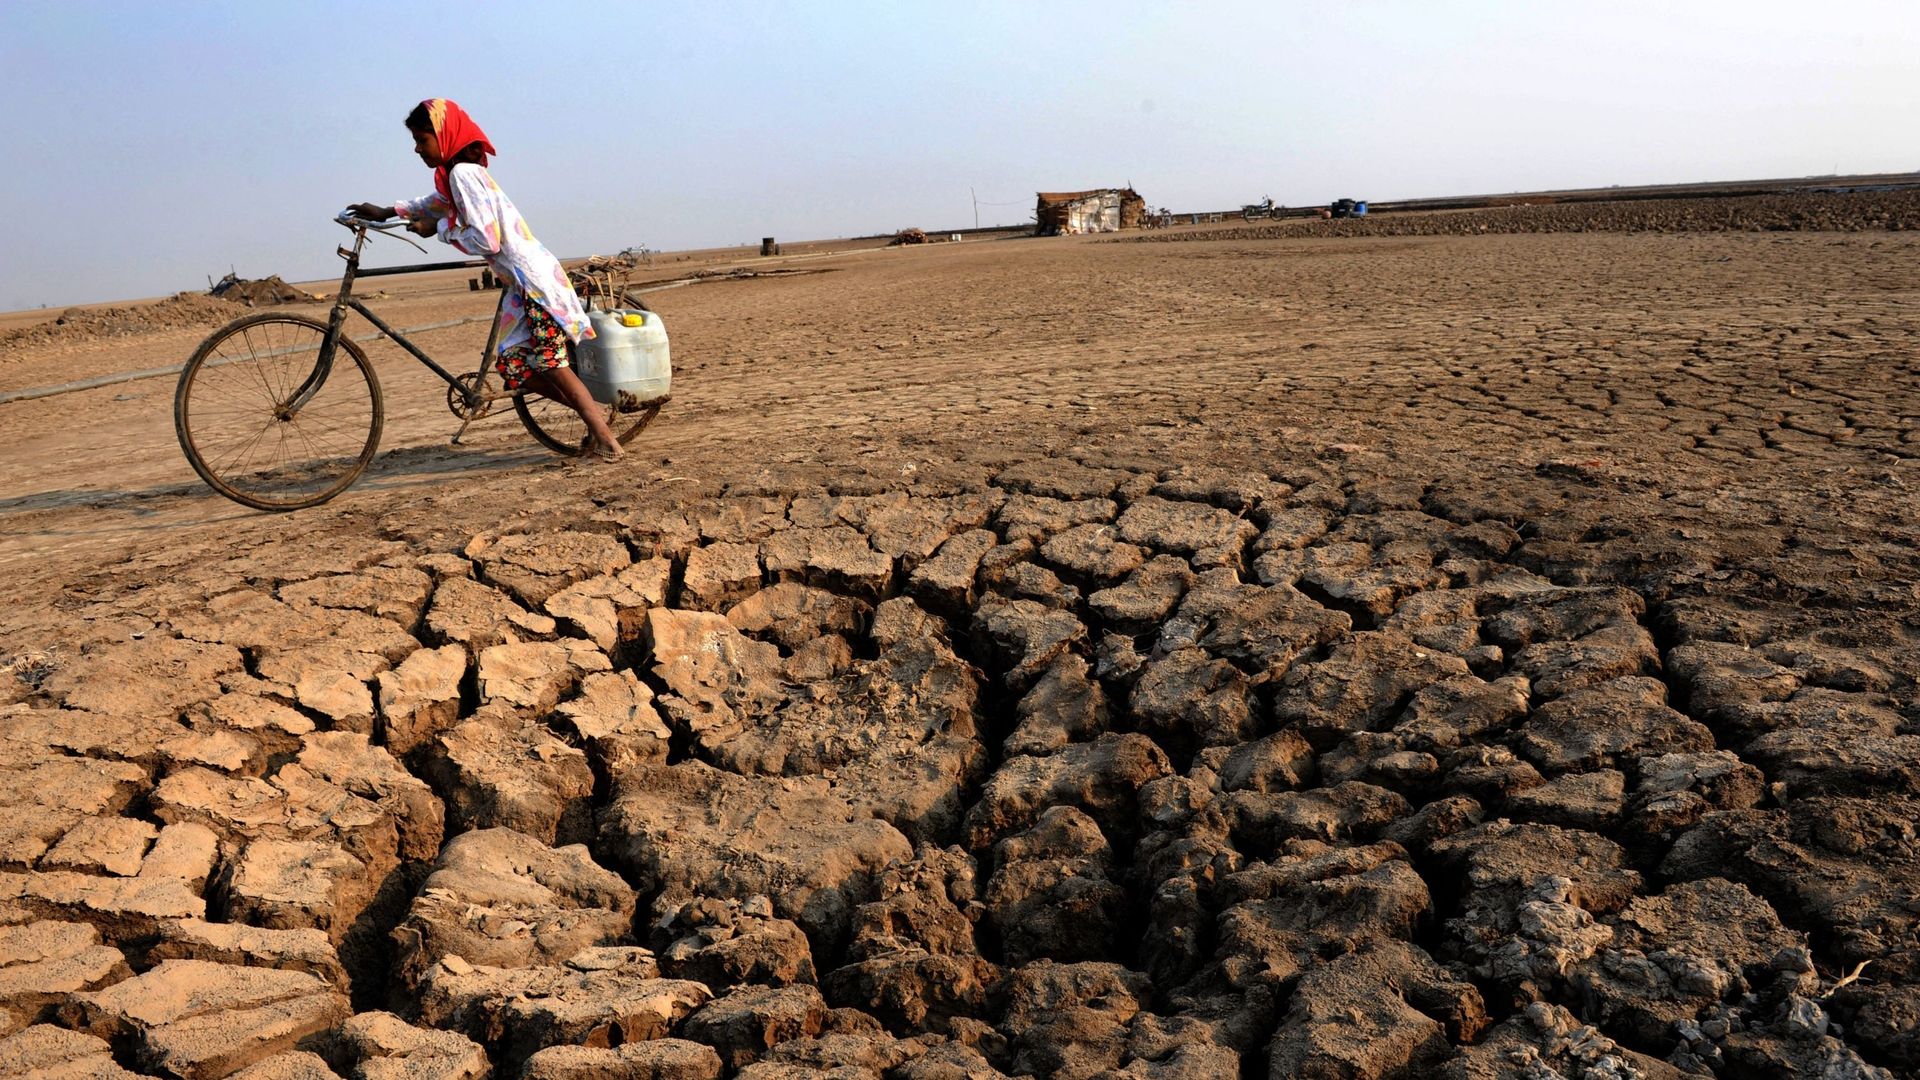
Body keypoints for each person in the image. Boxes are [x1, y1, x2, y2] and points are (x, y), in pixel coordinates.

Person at [349, 98, 621, 461]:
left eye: (421, 140)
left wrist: (440, 230)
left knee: (551, 362)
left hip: (533, 281)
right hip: (518, 284)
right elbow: (435, 202)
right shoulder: (455, 175)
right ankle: (589, 411)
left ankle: (604, 436)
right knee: (513, 366)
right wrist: (390, 211)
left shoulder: (463, 175)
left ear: (444, 136)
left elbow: (486, 239)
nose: (417, 149)